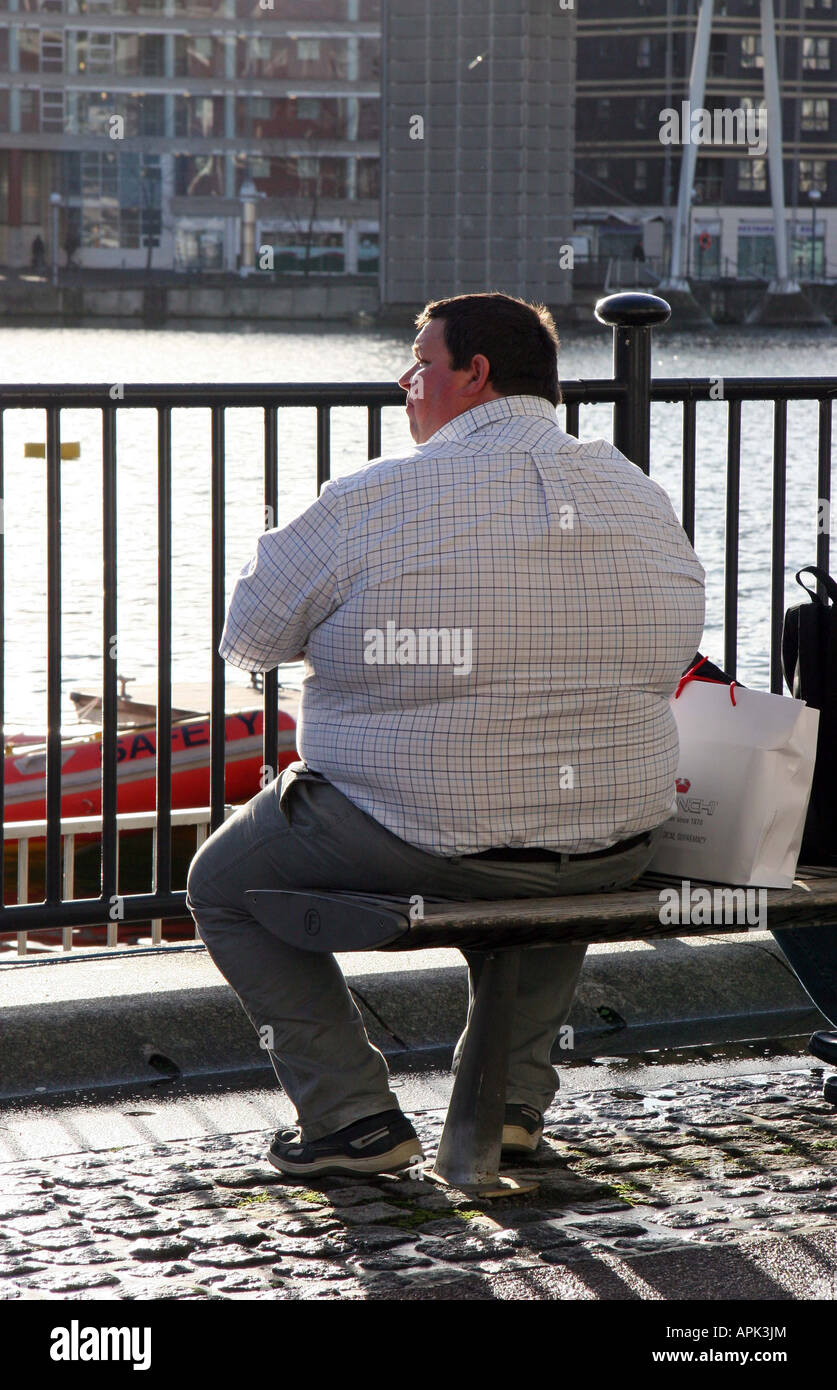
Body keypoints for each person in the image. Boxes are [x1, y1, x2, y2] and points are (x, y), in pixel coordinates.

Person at [186, 291, 706, 1179]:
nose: (405, 380)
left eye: (420, 363)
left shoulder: (375, 495)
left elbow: (249, 641)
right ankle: (506, 1109)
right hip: (617, 837)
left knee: (223, 882)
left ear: (474, 375)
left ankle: (350, 1119)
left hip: (420, 839)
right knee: (553, 837)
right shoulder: (637, 491)